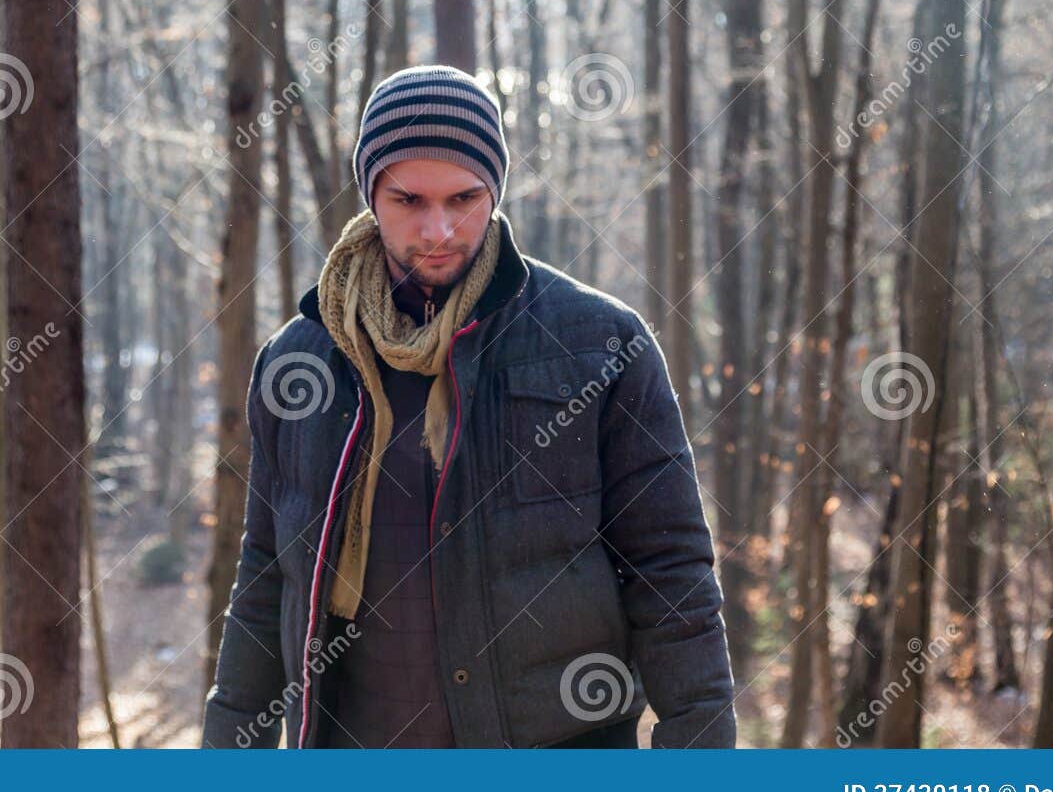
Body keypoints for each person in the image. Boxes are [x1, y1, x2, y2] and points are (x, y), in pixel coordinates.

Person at [202, 65, 736, 748]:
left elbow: (672, 571)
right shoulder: (301, 360)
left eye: (464, 197)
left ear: (497, 190)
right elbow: (264, 576)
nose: (438, 228)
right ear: (370, 193)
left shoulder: (601, 345)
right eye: (408, 200)